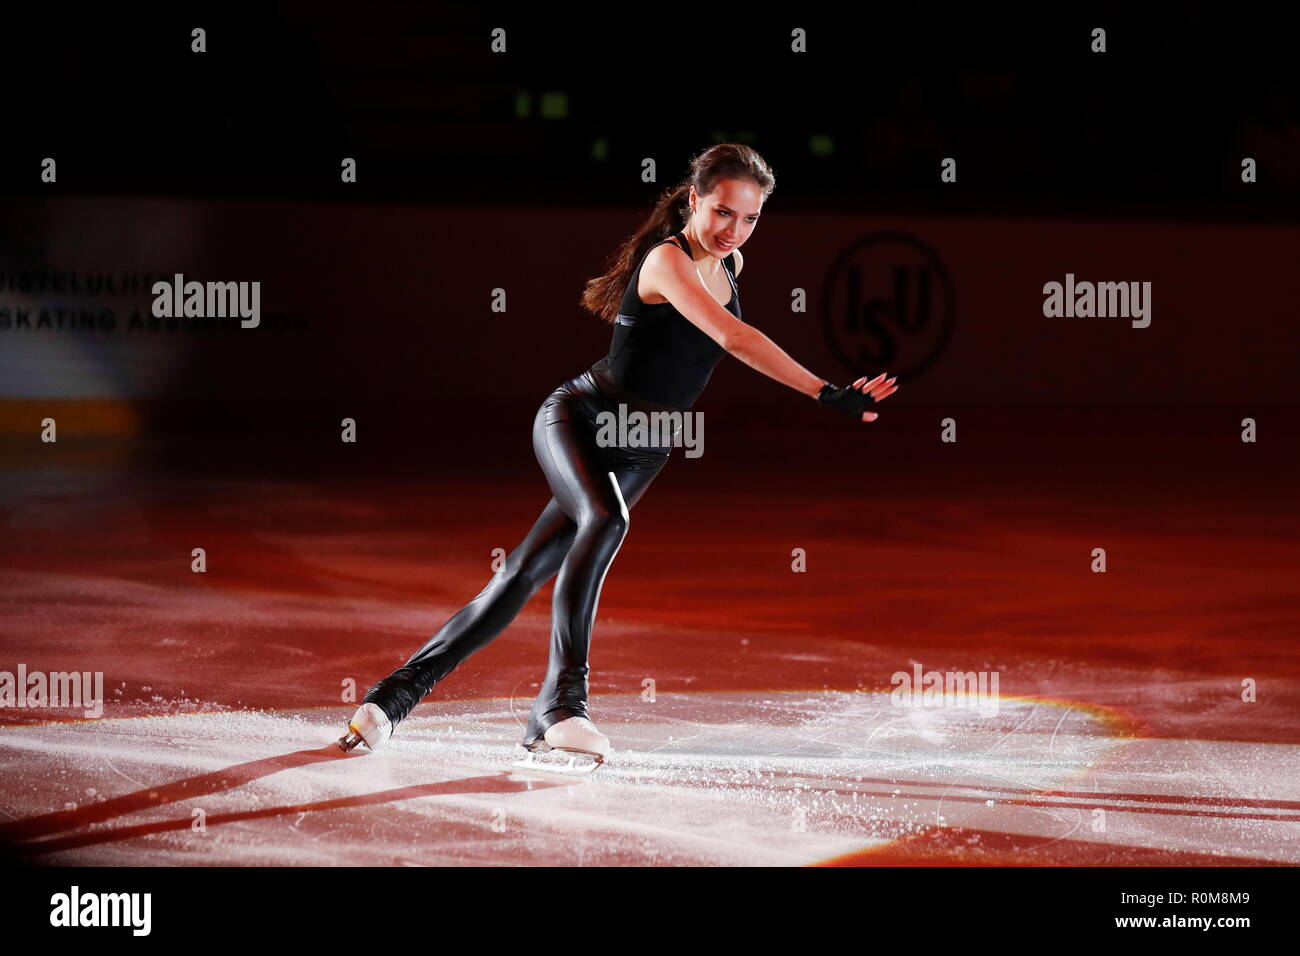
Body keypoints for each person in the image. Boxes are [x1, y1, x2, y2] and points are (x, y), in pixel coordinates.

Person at [338, 144, 898, 770]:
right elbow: (734, 338)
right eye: (721, 212)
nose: (733, 231)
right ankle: (561, 706)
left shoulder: (731, 262)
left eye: (748, 219)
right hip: (579, 419)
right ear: (693, 200)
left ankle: (389, 700)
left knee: (522, 572)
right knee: (604, 522)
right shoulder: (667, 260)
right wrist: (826, 391)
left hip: (643, 450)